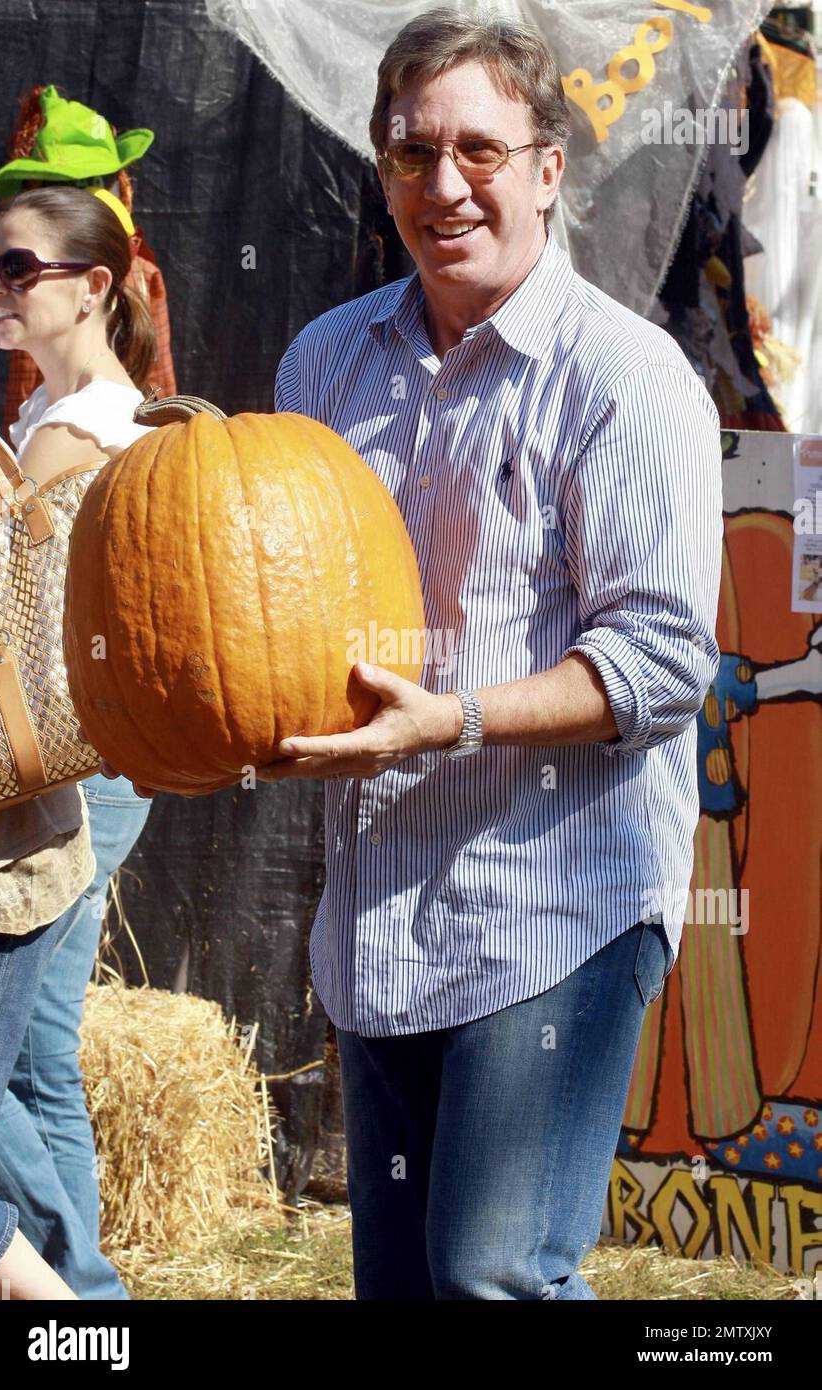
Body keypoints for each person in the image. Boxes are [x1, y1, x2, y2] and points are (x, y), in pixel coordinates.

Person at [259, 10, 723, 1299]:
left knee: (491, 1276)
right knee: (404, 1286)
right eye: (412, 153)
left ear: (546, 168)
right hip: (384, 908)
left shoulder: (627, 380)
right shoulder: (325, 362)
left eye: (478, 149)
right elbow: (282, 595)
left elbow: (662, 662)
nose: (444, 185)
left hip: (555, 900)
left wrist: (448, 718)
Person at [0, 185, 153, 1299]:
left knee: (24, 1062)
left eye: (17, 267)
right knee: (34, 1056)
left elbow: (13, 612)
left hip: (60, 774)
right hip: (43, 766)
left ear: (93, 287)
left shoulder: (86, 433)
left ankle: (74, 1297)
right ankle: (70, 1289)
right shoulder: (48, 415)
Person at [0, 83, 176, 439]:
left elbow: (160, 385)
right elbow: (24, 392)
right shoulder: (33, 289)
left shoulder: (141, 274)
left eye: (94, 184)